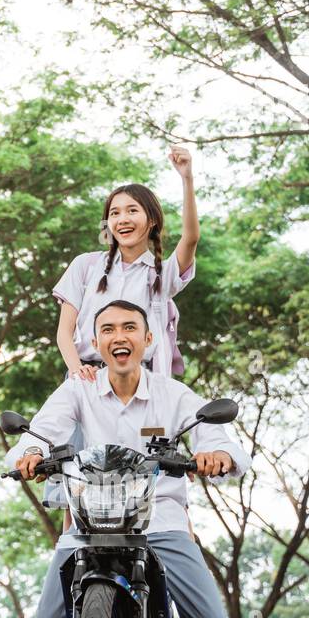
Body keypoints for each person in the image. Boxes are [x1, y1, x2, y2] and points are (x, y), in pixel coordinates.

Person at [6, 299, 250, 618]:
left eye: (129, 327)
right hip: (88, 527)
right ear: (96, 341)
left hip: (161, 525)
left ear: (148, 338)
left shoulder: (174, 394)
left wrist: (218, 456)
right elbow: (39, 432)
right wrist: (30, 455)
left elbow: (217, 439)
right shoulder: (77, 391)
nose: (119, 336)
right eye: (108, 329)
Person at [43, 146, 200, 510]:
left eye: (132, 210)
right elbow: (64, 331)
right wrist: (75, 369)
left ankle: (180, 555)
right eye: (114, 213)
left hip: (144, 389)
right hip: (90, 386)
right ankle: (73, 560)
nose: (122, 219)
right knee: (78, 491)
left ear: (152, 221)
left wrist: (187, 178)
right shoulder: (86, 266)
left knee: (159, 493)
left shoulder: (161, 274)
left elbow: (190, 239)